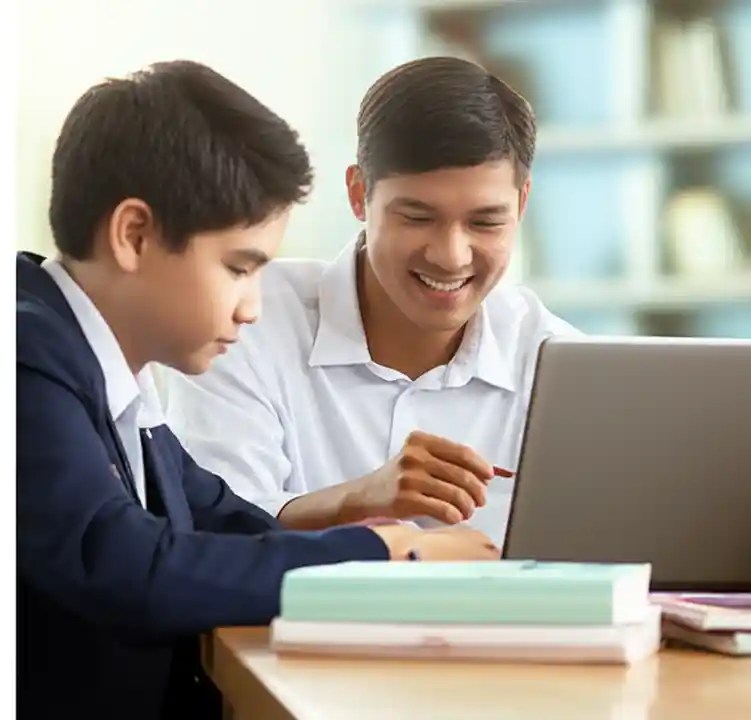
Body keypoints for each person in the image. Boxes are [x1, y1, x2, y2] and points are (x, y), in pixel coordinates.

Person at [17, 60, 498, 719]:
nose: (251, 307)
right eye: (239, 269)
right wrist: (387, 552)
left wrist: (384, 550)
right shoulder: (25, 356)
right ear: (134, 235)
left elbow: (222, 521)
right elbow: (124, 565)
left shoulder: (111, 377)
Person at [165, 56, 576, 540]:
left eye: (485, 222)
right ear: (359, 194)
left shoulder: (560, 364)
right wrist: (357, 501)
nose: (450, 256)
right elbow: (209, 534)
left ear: (522, 203)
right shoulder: (243, 319)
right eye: (417, 217)